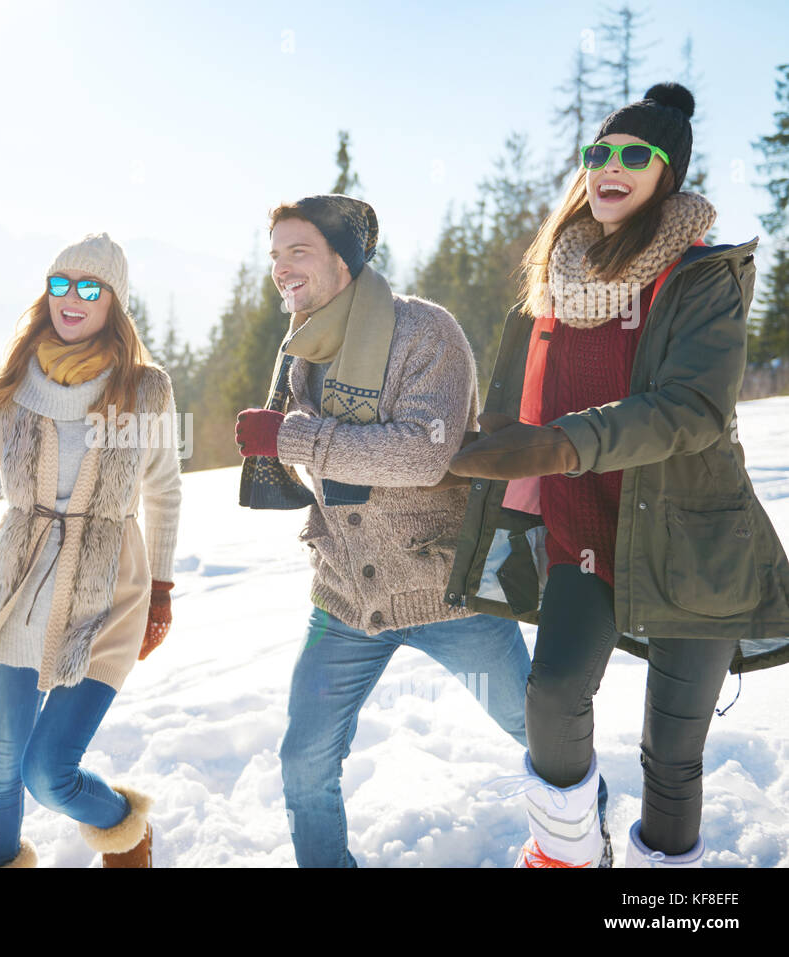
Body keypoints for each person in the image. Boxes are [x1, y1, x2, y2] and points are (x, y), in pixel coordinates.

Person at [448, 82, 789, 868]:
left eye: (635, 154)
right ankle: (567, 853)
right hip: (585, 535)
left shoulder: (703, 278)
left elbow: (689, 411)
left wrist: (557, 445)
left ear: (667, 173)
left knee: (671, 755)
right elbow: (530, 411)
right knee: (552, 694)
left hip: (691, 544)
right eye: (599, 152)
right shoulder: (557, 285)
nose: (610, 165)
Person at [234, 195, 546, 868]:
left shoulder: (424, 331)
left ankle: (580, 842)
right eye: (274, 255)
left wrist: (290, 435)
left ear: (345, 259)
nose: (281, 269)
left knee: (544, 734)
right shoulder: (305, 351)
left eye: (299, 252)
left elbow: (421, 453)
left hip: (446, 591)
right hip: (346, 598)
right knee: (304, 757)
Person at [0, 233, 181, 868]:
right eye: (60, 284)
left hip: (108, 592)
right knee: (3, 765)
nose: (71, 298)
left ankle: (124, 828)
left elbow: (164, 490)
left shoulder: (144, 390)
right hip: (21, 587)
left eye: (88, 288)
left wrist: (163, 591)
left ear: (112, 302)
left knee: (48, 771)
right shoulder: (10, 383)